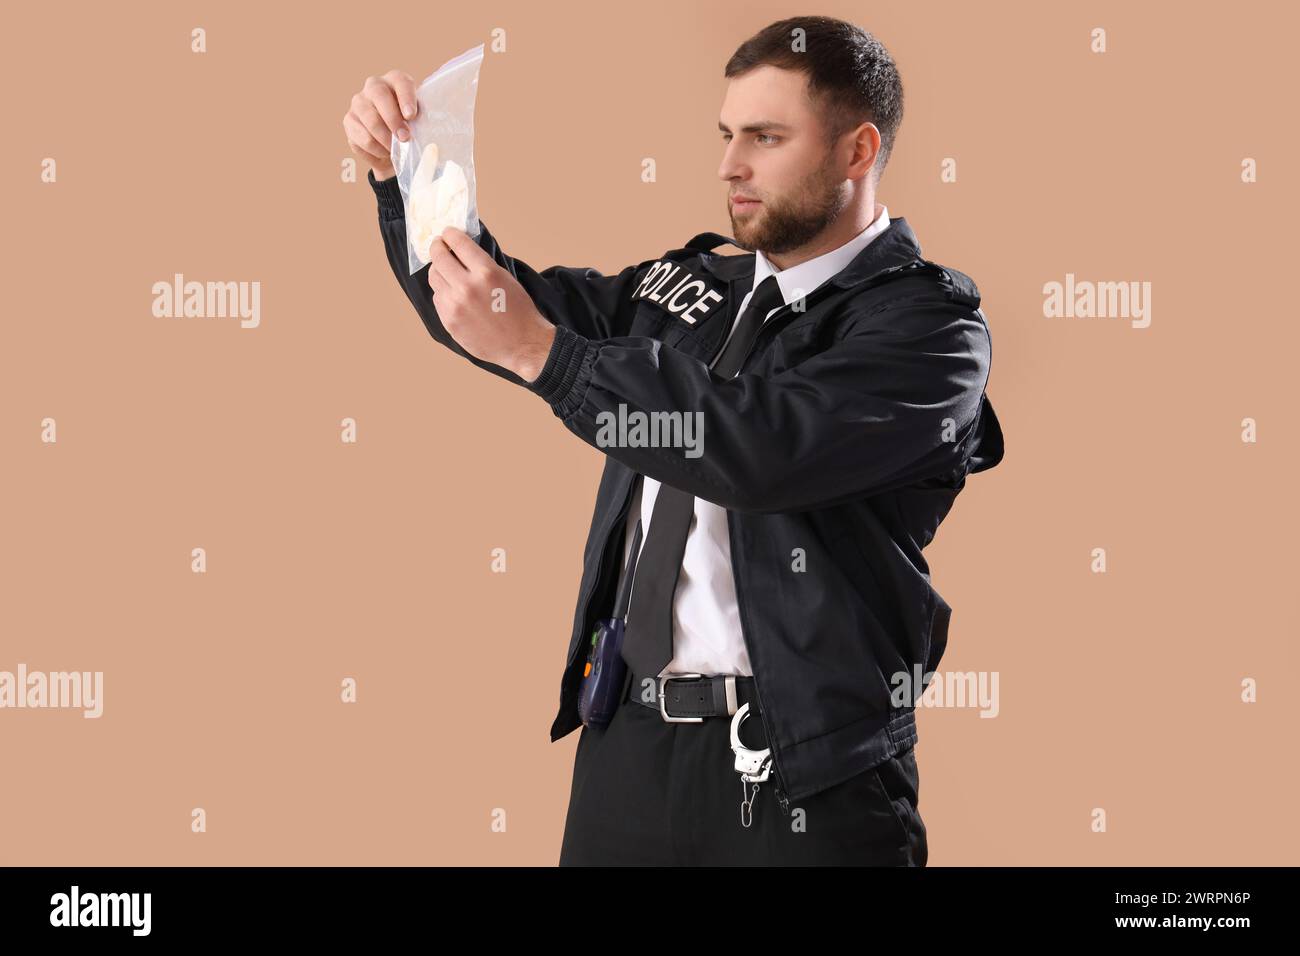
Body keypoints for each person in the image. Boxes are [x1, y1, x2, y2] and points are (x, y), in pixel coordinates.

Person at [343, 15, 1004, 866]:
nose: (730, 163)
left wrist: (547, 356)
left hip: (808, 777)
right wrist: (404, 172)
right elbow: (501, 308)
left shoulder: (930, 329)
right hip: (627, 745)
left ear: (857, 150)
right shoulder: (692, 284)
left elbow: (761, 449)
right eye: (728, 134)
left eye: (767, 136)